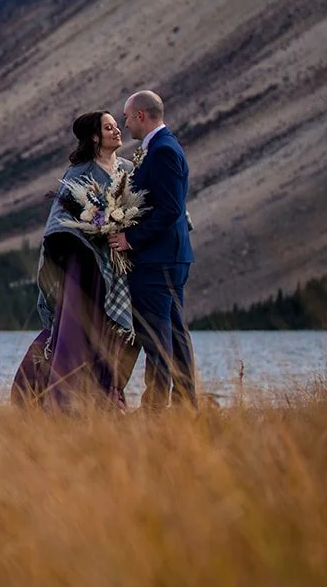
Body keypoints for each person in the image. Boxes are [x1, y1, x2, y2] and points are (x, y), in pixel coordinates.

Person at [12, 111, 141, 409]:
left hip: (118, 265)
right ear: (95, 137)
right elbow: (58, 222)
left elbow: (140, 211)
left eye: (116, 126)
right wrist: (93, 232)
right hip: (84, 269)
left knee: (113, 330)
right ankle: (64, 397)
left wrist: (123, 231)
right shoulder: (79, 172)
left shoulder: (128, 168)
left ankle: (106, 396)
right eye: (108, 128)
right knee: (77, 329)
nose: (117, 131)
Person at [111, 90, 196, 409]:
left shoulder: (162, 151)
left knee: (155, 334)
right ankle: (186, 404)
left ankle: (156, 407)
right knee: (174, 332)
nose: (125, 122)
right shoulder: (159, 148)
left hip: (159, 260)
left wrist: (130, 238)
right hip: (168, 256)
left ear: (141, 116)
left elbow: (170, 209)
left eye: (127, 116)